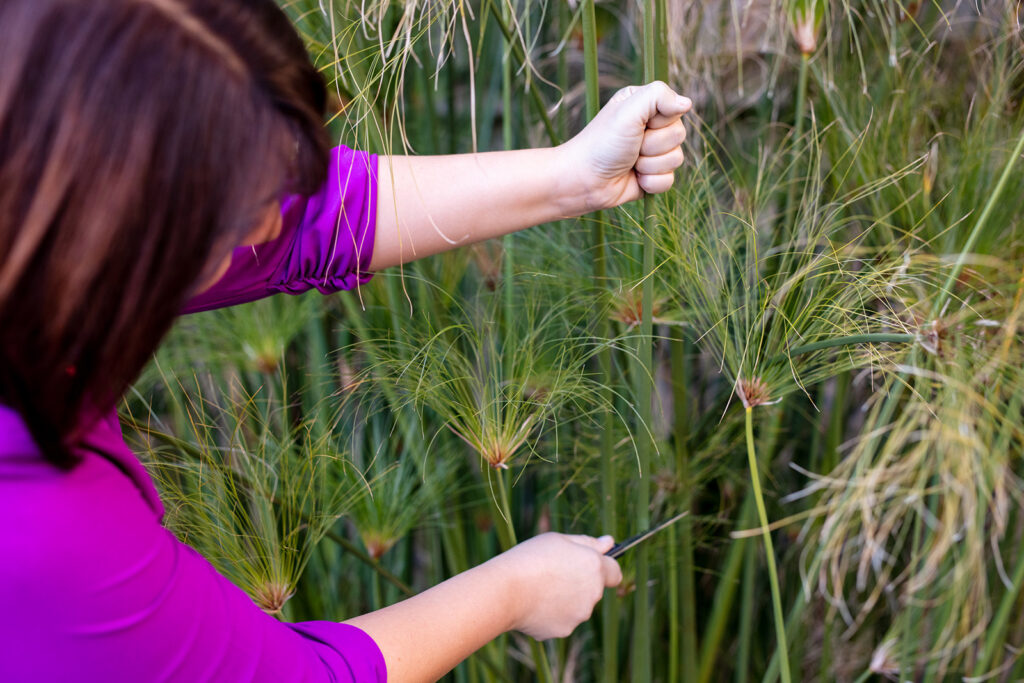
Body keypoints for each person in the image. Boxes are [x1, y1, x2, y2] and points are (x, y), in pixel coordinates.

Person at [0, 0, 691, 681]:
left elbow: (315, 218)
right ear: (113, 221)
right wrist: (517, 588)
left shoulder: (36, 196)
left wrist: (572, 175)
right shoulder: (45, 521)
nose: (267, 230)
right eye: (237, 221)